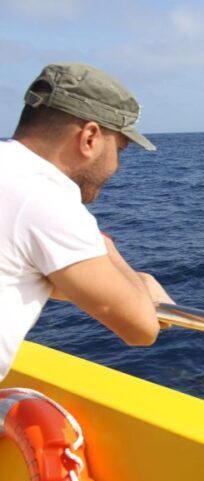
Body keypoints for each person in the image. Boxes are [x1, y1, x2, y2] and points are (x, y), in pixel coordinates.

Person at [0, 63, 173, 383]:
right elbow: (141, 329)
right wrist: (122, 264)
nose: (117, 165)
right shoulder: (43, 196)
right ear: (90, 137)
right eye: (119, 149)